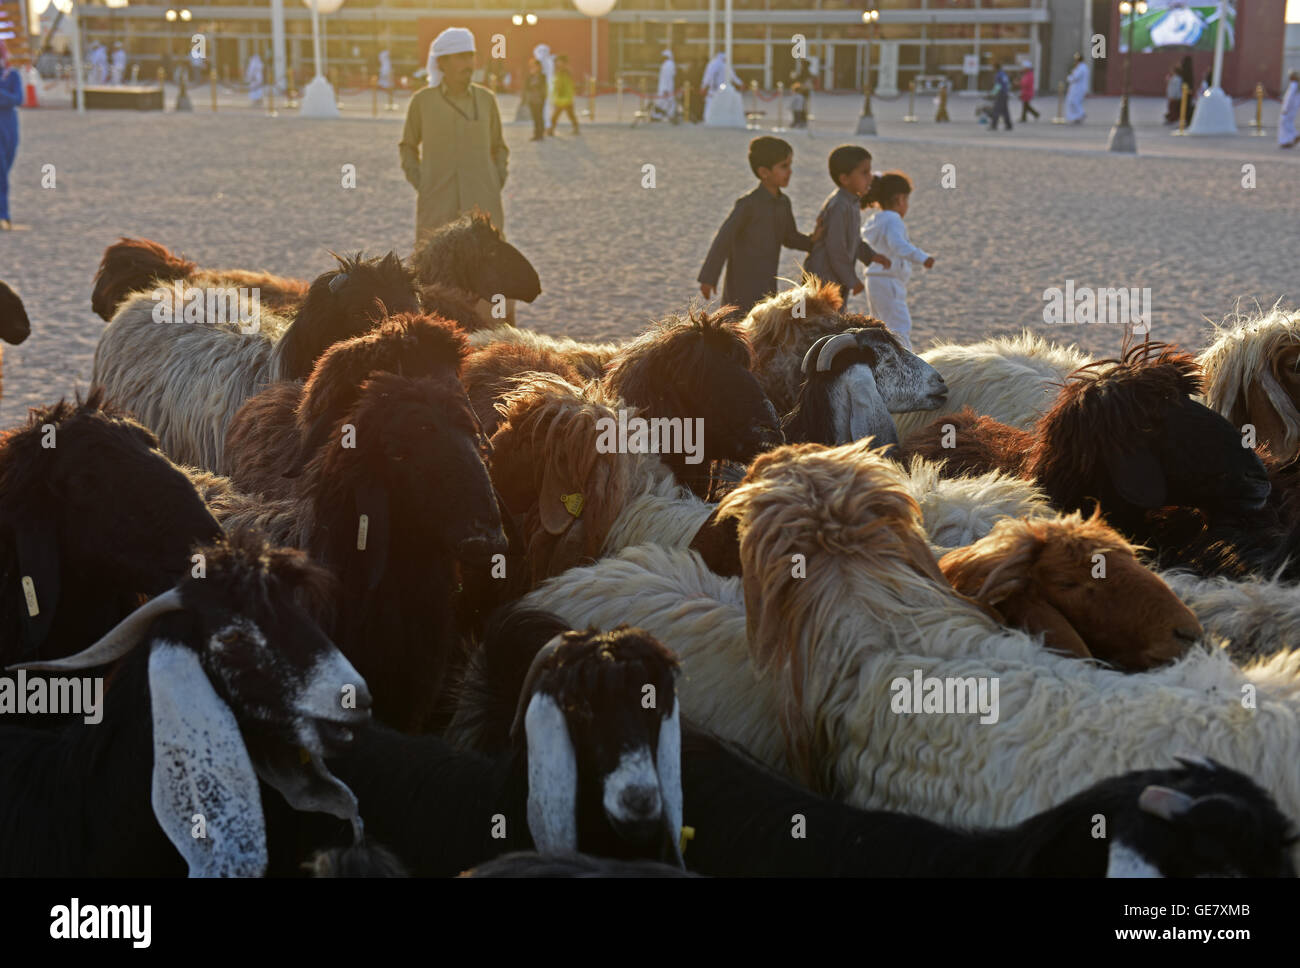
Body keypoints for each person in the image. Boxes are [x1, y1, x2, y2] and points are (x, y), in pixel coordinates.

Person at [401, 27, 508, 248]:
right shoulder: (422, 102)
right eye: (461, 57)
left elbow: (499, 147)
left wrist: (495, 180)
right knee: (435, 273)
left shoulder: (487, 100)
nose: (469, 64)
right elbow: (408, 146)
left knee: (488, 272)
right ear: (442, 63)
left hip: (483, 205)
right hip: (436, 206)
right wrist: (422, 182)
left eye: (471, 56)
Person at [697, 136, 823, 315]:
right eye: (784, 166)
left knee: (761, 325)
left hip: (767, 283)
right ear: (764, 172)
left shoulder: (783, 203)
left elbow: (789, 237)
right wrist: (709, 278)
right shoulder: (747, 204)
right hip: (741, 283)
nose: (790, 171)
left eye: (790, 165)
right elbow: (723, 240)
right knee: (737, 325)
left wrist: (811, 241)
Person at [861, 171, 933, 351]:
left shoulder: (874, 220)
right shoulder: (893, 219)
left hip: (873, 280)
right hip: (889, 281)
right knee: (899, 327)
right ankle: (906, 366)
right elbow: (898, 245)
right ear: (900, 199)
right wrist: (922, 258)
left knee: (879, 325)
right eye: (907, 200)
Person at [804, 144, 874, 305]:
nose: (870, 177)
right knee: (822, 321)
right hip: (824, 277)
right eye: (864, 173)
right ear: (844, 179)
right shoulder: (839, 205)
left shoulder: (853, 202)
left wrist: (871, 256)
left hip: (838, 276)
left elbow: (854, 238)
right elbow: (835, 247)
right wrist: (851, 280)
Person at [0, 41, 20, 230]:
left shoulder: (12, 75)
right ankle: (3, 214)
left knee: (5, 171)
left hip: (9, 128)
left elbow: (18, 98)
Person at [548, 54, 578, 135]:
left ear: (564, 63)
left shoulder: (567, 73)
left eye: (560, 62)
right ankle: (551, 130)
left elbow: (569, 86)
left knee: (567, 115)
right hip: (560, 98)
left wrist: (568, 97)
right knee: (559, 116)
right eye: (558, 62)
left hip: (566, 98)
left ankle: (551, 130)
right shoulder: (558, 72)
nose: (558, 64)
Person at [523, 57, 547, 141]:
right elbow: (526, 87)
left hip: (539, 99)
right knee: (534, 117)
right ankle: (537, 133)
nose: (534, 68)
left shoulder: (542, 76)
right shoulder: (530, 76)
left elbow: (542, 87)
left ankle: (539, 134)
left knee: (539, 117)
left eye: (536, 66)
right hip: (532, 99)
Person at [1064, 53, 1089, 124]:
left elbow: (1075, 77)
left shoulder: (1081, 68)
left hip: (1078, 89)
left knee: (1074, 102)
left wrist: (1069, 78)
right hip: (1076, 88)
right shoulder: (1080, 67)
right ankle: (1077, 116)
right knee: (1074, 102)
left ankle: (1081, 114)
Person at [988, 62, 1012, 132]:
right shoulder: (1004, 74)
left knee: (996, 109)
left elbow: (998, 86)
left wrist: (992, 94)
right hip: (1005, 93)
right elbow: (1008, 84)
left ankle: (994, 125)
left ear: (996, 68)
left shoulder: (998, 75)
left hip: (1001, 94)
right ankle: (1008, 125)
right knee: (1005, 110)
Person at [1280, 71, 1300, 150]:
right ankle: (1289, 139)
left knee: (1284, 123)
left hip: (1289, 108)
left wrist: (1285, 108)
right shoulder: (1297, 86)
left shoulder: (1293, 85)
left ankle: (1291, 138)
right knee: (1288, 123)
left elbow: (1289, 98)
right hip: (1293, 108)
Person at [657, 48, 677, 118]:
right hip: (666, 88)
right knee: (666, 103)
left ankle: (659, 116)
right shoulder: (667, 64)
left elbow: (667, 77)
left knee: (666, 103)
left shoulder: (669, 64)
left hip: (666, 89)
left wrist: (666, 89)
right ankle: (664, 116)